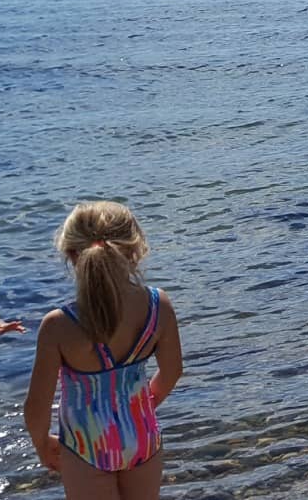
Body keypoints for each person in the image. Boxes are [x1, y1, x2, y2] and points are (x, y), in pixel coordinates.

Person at [22, 200, 183, 499]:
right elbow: (173, 372)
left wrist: (42, 444)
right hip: (141, 435)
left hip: (86, 443)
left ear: (72, 255)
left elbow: (36, 406)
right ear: (134, 252)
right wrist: (141, 407)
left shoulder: (59, 325)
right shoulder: (158, 305)